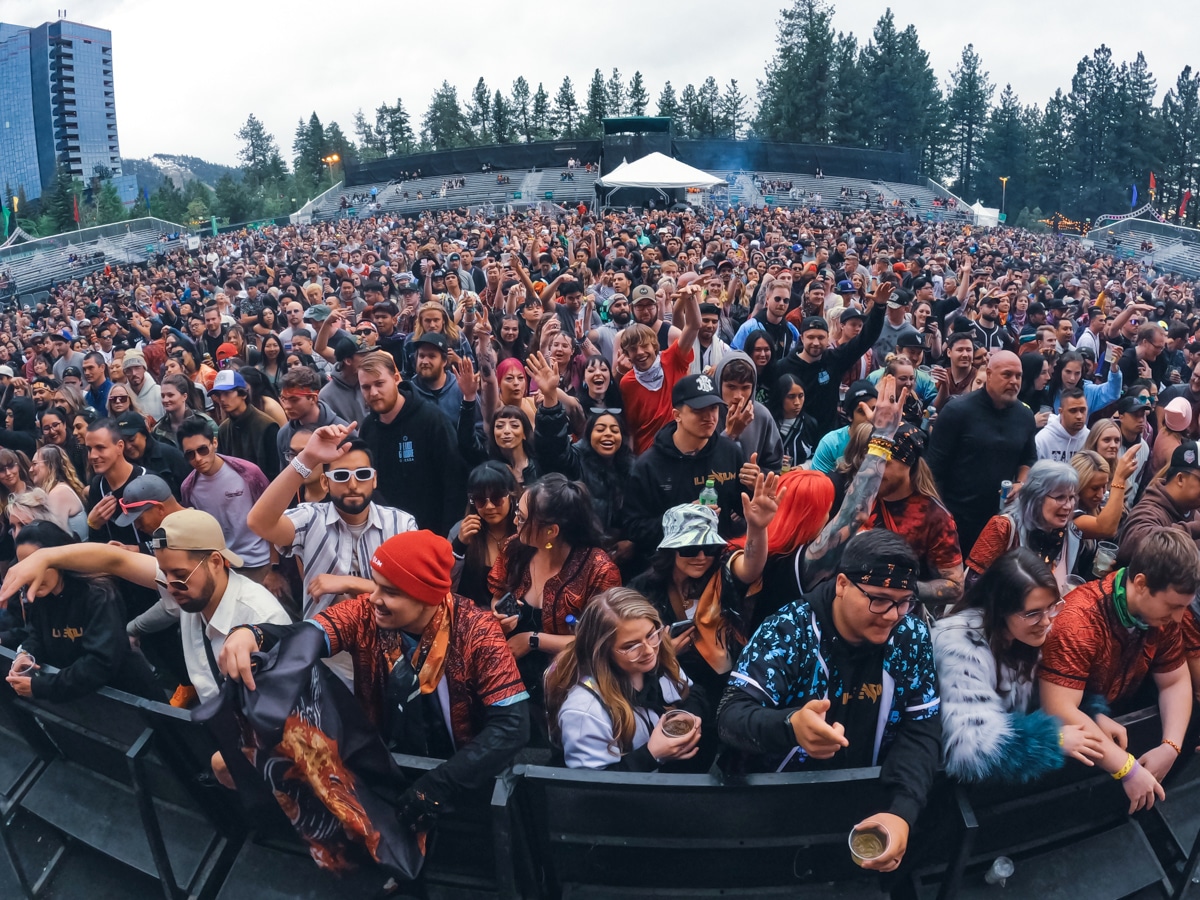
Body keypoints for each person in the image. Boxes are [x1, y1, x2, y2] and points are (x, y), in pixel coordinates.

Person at [217, 530, 530, 833]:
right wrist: (252, 634)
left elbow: (512, 726)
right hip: (385, 763)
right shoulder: (365, 614)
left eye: (390, 592)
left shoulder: (479, 632)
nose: (373, 598)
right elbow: (306, 636)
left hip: (461, 776)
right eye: (377, 585)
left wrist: (439, 784)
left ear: (426, 597)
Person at [717, 530, 941, 874]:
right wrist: (790, 726)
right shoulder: (788, 630)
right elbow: (731, 715)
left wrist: (902, 811)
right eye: (878, 599)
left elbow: (922, 727)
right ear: (841, 584)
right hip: (781, 806)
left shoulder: (911, 634)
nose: (892, 615)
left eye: (904, 600)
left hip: (872, 798)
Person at [1, 509, 292, 704]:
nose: (170, 586)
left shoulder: (261, 616)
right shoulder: (188, 582)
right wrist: (45, 558)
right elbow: (113, 559)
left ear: (216, 562)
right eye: (165, 575)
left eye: (179, 575)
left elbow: (291, 706)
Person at [1039, 530, 1198, 813]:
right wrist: (1127, 769)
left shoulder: (1165, 617)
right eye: (1173, 606)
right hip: (1066, 755)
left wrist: (1171, 746)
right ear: (1140, 583)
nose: (1177, 618)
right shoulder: (1079, 620)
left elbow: (1174, 680)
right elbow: (1059, 710)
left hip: (1116, 729)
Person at [932, 549, 1105, 783]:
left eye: (1052, 607)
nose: (1046, 621)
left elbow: (1050, 693)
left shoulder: (1028, 634)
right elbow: (971, 748)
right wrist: (1053, 740)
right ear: (1001, 609)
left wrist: (1088, 712)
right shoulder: (959, 646)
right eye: (1033, 613)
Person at [248, 422, 417, 623]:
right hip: (328, 645)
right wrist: (307, 458)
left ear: (374, 480)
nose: (353, 485)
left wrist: (349, 583)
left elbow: (412, 591)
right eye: (341, 475)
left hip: (389, 639)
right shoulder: (310, 518)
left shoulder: (401, 524)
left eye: (363, 474)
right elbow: (259, 522)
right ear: (325, 483)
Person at [488, 474, 620, 729]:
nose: (515, 521)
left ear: (552, 531)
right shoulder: (515, 548)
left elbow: (602, 638)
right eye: (518, 512)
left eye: (523, 519)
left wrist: (532, 640)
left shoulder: (598, 569)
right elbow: (497, 592)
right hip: (509, 669)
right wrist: (498, 616)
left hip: (570, 677)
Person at [628, 481, 780, 701]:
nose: (701, 557)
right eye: (689, 549)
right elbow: (624, 646)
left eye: (709, 548)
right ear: (670, 551)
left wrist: (757, 528)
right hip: (670, 690)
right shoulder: (642, 590)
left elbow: (750, 568)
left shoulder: (722, 574)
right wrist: (660, 652)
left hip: (722, 689)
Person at [545, 588, 706, 771]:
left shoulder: (657, 657)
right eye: (631, 646)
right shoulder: (585, 711)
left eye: (651, 634)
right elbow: (592, 788)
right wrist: (651, 755)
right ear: (602, 651)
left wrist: (686, 718)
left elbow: (692, 692)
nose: (649, 650)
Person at [5, 521, 161, 702]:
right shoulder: (39, 597)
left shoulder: (98, 595)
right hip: (88, 705)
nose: (29, 574)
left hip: (131, 699)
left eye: (37, 565)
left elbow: (101, 662)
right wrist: (27, 655)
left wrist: (42, 687)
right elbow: (37, 634)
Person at [927, 351, 1037, 557]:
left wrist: (1021, 484)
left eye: (1018, 376)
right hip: (956, 518)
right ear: (989, 374)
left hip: (1000, 518)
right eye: (1007, 375)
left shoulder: (1025, 415)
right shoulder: (957, 411)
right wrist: (941, 517)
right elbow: (933, 468)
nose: (1014, 381)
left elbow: (1028, 457)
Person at [625, 373, 748, 557]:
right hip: (668, 566)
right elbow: (633, 528)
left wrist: (755, 491)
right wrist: (681, 518)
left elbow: (744, 509)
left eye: (713, 408)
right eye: (698, 410)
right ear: (677, 415)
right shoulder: (648, 465)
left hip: (718, 559)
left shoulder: (731, 452)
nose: (709, 417)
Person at [357, 350, 464, 535]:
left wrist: (448, 536)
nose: (373, 393)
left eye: (379, 384)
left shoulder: (432, 420)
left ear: (396, 378)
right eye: (366, 387)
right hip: (385, 535)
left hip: (431, 533)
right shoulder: (367, 428)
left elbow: (455, 481)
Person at [177, 416, 282, 590]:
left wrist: (275, 567)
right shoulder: (189, 488)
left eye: (202, 449)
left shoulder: (248, 473)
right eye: (190, 454)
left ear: (214, 443)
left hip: (261, 564)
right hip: (224, 569)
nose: (197, 458)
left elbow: (273, 516)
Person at [770, 286, 887, 435]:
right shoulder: (783, 367)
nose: (816, 343)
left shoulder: (835, 360)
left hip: (827, 436)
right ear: (802, 338)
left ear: (828, 338)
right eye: (811, 337)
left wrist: (880, 307)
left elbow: (866, 338)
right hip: (794, 438)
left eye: (821, 337)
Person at [966, 460, 1085, 595]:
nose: (1068, 506)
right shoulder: (1003, 528)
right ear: (1036, 497)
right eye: (1060, 497)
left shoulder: (1071, 536)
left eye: (1071, 497)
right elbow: (973, 586)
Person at [619, 283, 701, 455]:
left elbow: (693, 326)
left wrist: (690, 299)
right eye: (633, 349)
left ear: (655, 346)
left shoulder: (673, 359)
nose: (640, 353)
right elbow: (632, 428)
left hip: (682, 452)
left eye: (644, 346)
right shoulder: (627, 383)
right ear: (626, 354)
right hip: (648, 457)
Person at [1115, 440, 1200, 567]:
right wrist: (1193, 529)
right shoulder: (1150, 509)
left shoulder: (1194, 515)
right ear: (1180, 479)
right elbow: (1137, 544)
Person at [450, 462, 518, 609]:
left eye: (496, 498)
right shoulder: (460, 531)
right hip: (472, 619)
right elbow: (447, 587)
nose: (489, 507)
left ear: (511, 495)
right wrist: (459, 546)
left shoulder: (524, 531)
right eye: (480, 500)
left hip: (518, 617)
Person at [714, 352, 783, 474]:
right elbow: (697, 463)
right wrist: (729, 434)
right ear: (719, 383)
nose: (738, 396)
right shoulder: (707, 414)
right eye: (731, 387)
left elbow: (774, 466)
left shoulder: (762, 415)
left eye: (745, 388)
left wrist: (759, 478)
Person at [210, 369, 281, 480]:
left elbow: (275, 471)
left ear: (243, 394)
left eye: (227, 393)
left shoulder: (267, 426)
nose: (222, 399)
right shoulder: (223, 429)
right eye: (218, 395)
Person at [275, 366, 349, 467]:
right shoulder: (283, 434)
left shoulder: (342, 432)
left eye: (294, 400)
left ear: (313, 398)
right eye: (284, 399)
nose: (287, 406)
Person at [113, 409, 190, 499]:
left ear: (145, 433)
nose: (128, 447)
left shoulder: (171, 455)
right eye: (123, 442)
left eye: (131, 439)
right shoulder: (119, 464)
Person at [811, 380, 877, 474]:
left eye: (874, 409)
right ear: (850, 416)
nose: (870, 416)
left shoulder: (886, 441)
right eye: (861, 411)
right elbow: (817, 483)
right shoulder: (831, 443)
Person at [28, 445, 87, 540]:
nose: (30, 469)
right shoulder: (59, 489)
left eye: (34, 464)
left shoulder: (58, 492)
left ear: (50, 465)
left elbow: (53, 538)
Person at [772, 373, 820, 467]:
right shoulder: (768, 422)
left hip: (800, 478)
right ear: (780, 397)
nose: (797, 402)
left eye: (801, 396)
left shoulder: (809, 424)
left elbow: (817, 456)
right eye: (791, 396)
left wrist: (803, 467)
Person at [1035, 387, 1090, 462]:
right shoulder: (1043, 440)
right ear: (1061, 411)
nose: (1079, 416)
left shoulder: (1089, 438)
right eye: (1073, 411)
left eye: (1082, 410)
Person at [122, 350, 164, 420]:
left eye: (137, 367)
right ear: (124, 373)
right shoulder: (123, 395)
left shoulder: (160, 392)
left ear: (144, 369)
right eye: (128, 370)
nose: (134, 373)